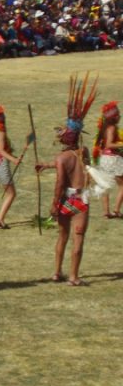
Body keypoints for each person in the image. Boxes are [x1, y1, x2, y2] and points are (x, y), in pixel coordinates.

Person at [45, 74, 97, 286]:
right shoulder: (84, 151)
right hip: (81, 199)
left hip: (65, 199)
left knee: (62, 236)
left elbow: (60, 183)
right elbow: (82, 167)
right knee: (78, 237)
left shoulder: (61, 158)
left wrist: (54, 204)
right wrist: (47, 165)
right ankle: (73, 276)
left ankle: (57, 272)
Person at [93, 101, 123, 218]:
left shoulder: (104, 128)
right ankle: (116, 210)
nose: (120, 116)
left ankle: (106, 212)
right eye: (118, 114)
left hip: (105, 159)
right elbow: (109, 144)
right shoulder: (112, 128)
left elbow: (102, 146)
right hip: (113, 159)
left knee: (105, 185)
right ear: (114, 117)